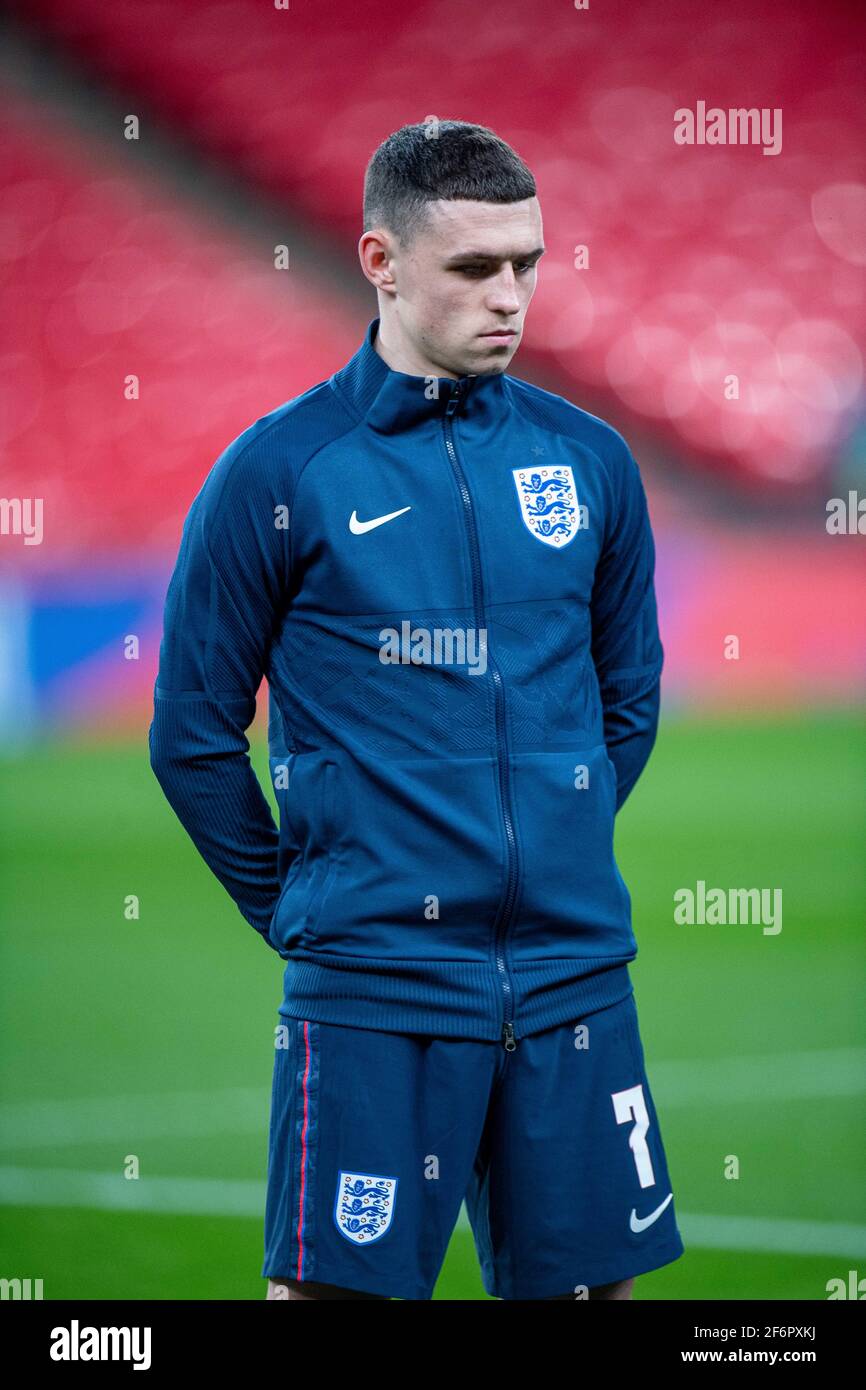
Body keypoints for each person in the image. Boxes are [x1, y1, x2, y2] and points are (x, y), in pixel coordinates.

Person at [149, 119, 684, 1301]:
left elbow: (628, 701)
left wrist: (546, 849)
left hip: (572, 984)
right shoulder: (281, 472)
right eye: (473, 268)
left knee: (593, 1294)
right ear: (380, 262)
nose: (510, 297)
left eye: (526, 265)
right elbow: (189, 733)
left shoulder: (589, 460)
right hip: (374, 994)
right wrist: (311, 912)